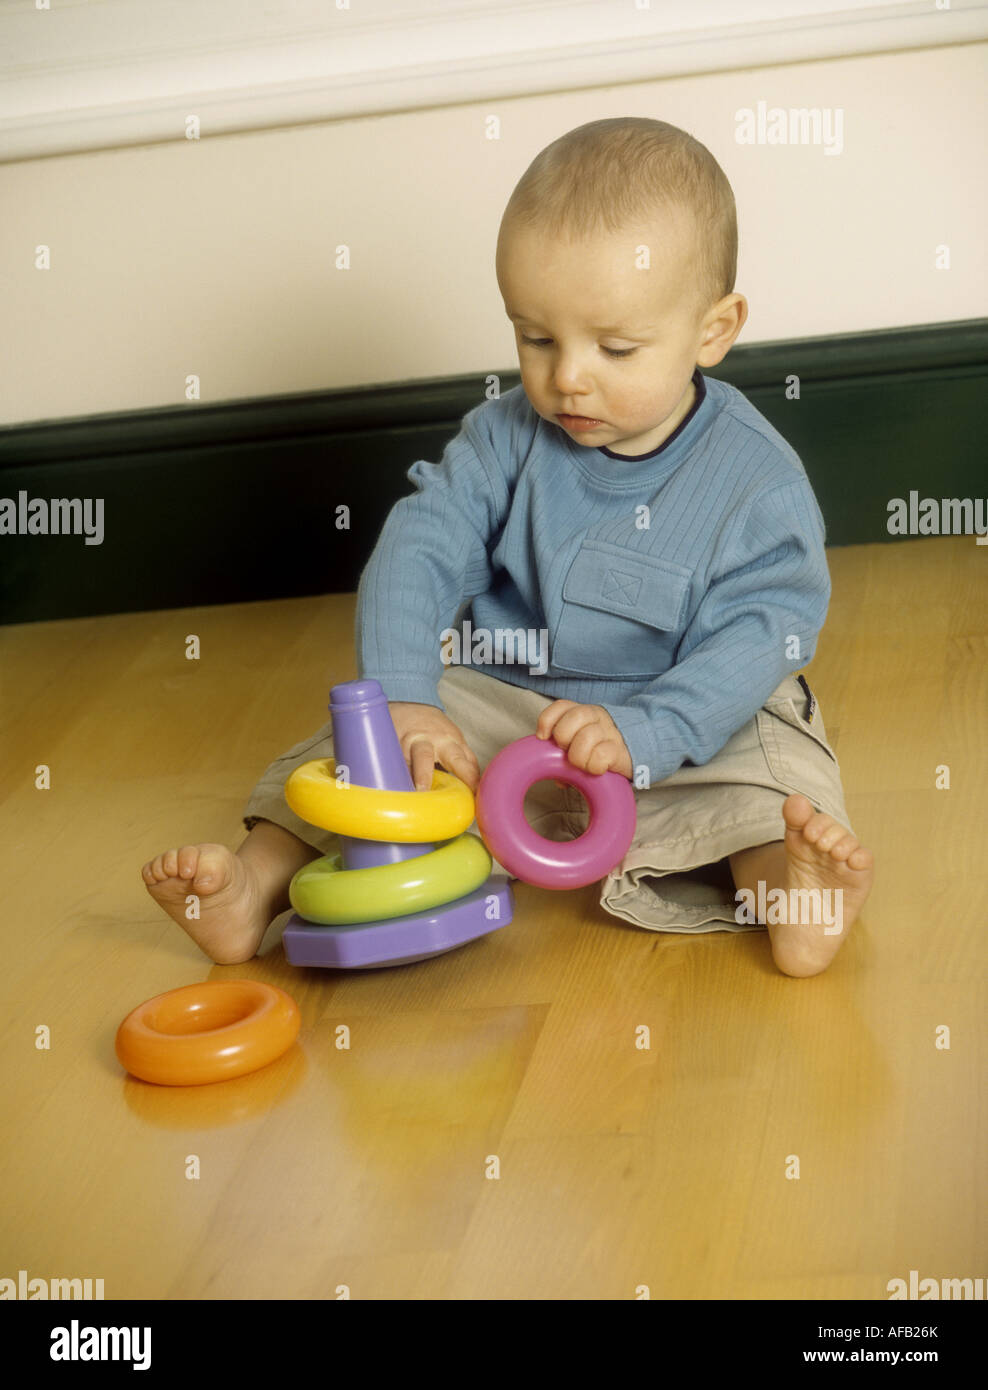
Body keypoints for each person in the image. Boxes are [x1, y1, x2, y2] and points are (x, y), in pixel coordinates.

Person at [142, 117, 874, 977]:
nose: (567, 376)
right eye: (536, 337)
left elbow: (763, 635)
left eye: (616, 347)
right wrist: (406, 698)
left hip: (690, 709)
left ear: (713, 330)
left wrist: (649, 728)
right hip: (512, 697)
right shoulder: (501, 442)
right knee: (359, 749)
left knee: (764, 780)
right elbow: (419, 547)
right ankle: (252, 888)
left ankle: (792, 896)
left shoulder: (757, 482)